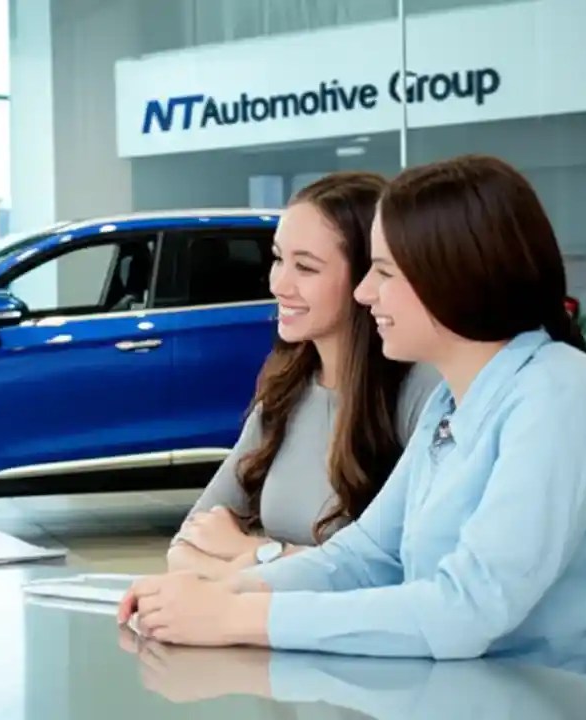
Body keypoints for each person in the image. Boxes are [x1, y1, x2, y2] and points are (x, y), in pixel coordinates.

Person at [118, 154, 586, 681]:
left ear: (452, 277)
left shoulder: (564, 397)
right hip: (448, 690)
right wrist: (221, 594)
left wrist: (240, 617)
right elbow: (366, 555)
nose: (364, 292)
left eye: (384, 272)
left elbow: (466, 610)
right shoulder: (454, 400)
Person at [170, 172, 439, 576]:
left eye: (306, 268)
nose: (279, 284)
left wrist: (256, 555)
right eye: (279, 259)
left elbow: (400, 573)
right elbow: (185, 546)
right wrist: (266, 562)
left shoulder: (423, 392)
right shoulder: (287, 389)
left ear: (369, 276)